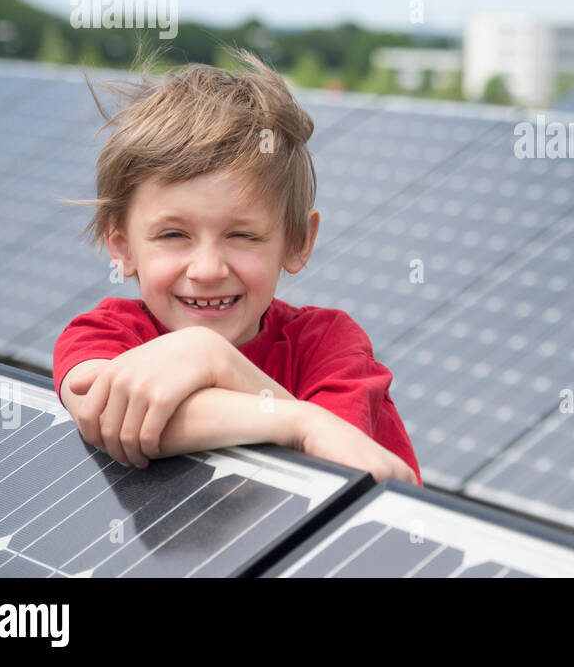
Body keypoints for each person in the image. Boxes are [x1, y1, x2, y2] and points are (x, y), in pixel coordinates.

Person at [54, 44, 421, 485]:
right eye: (173, 235)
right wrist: (302, 423)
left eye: (243, 235)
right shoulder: (105, 335)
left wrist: (215, 361)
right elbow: (107, 415)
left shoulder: (329, 347)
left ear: (299, 241)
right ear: (123, 246)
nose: (207, 270)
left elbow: (339, 472)